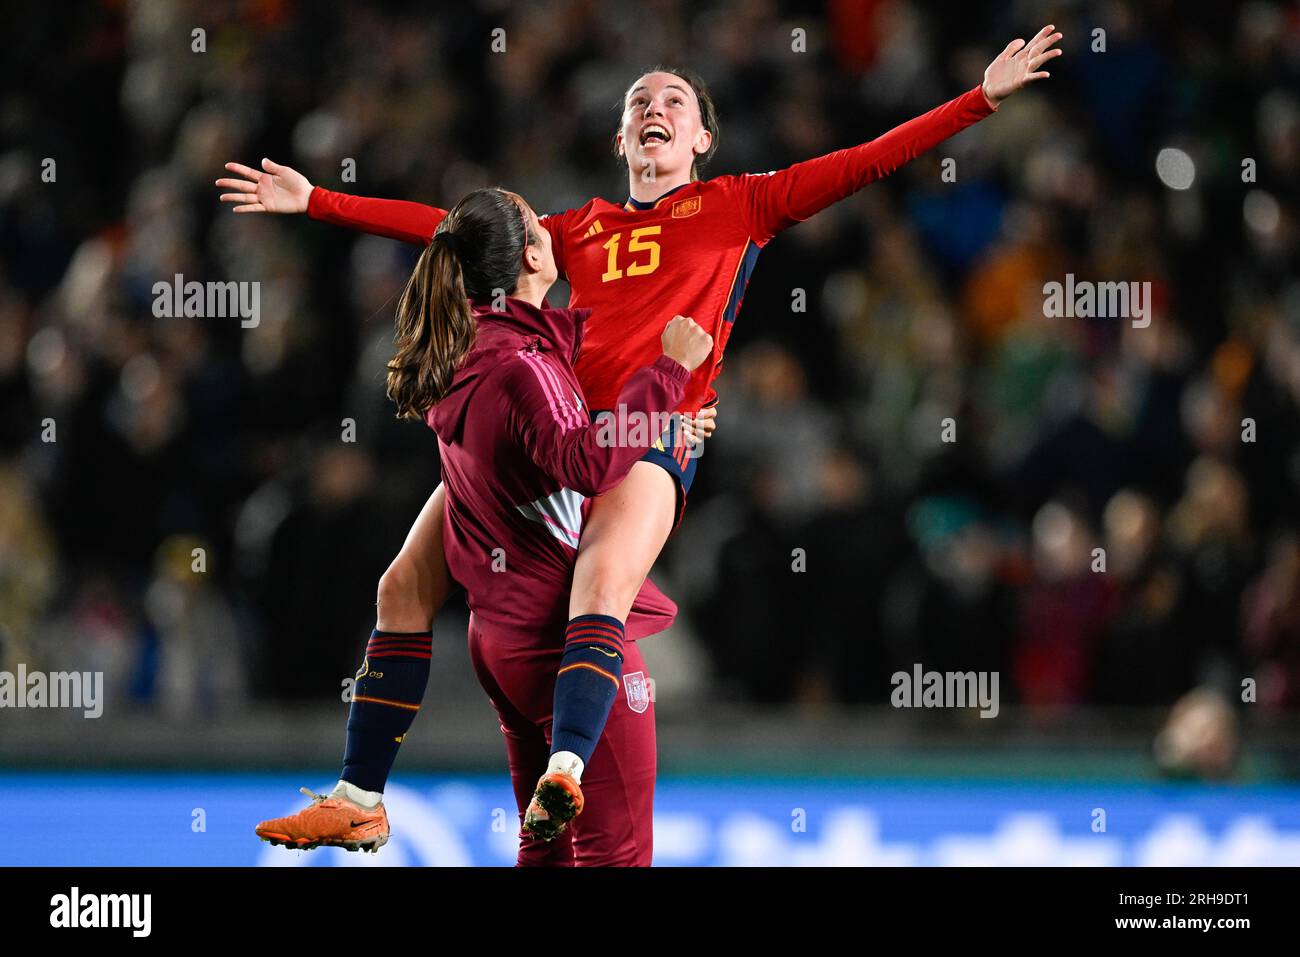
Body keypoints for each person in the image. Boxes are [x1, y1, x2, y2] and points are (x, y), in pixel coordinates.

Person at [223, 24, 1062, 836]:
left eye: (673, 100)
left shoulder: (742, 205)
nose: (653, 107)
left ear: (702, 138)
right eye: (637, 101)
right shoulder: (575, 229)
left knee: (600, 587)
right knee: (401, 586)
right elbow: (455, 228)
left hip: (642, 440)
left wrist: (978, 100)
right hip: (545, 433)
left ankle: (567, 772)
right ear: (623, 138)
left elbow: (864, 162)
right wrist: (318, 201)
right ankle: (360, 793)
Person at [254, 186, 712, 863]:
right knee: (616, 856)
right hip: (564, 647)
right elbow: (583, 460)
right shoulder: (525, 368)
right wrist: (668, 375)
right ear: (531, 253)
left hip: (497, 642)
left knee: (545, 854)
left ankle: (358, 793)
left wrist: (321, 200)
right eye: (538, 219)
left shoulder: (471, 349)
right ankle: (371, 794)